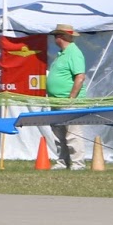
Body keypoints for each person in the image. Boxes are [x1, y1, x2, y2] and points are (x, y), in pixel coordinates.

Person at [46, 23, 87, 170]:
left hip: (69, 101)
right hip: (57, 101)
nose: (54, 39)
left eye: (56, 36)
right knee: (59, 133)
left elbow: (80, 77)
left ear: (61, 37)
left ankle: (78, 163)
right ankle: (62, 161)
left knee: (72, 132)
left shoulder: (74, 53)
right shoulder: (61, 54)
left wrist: (71, 98)